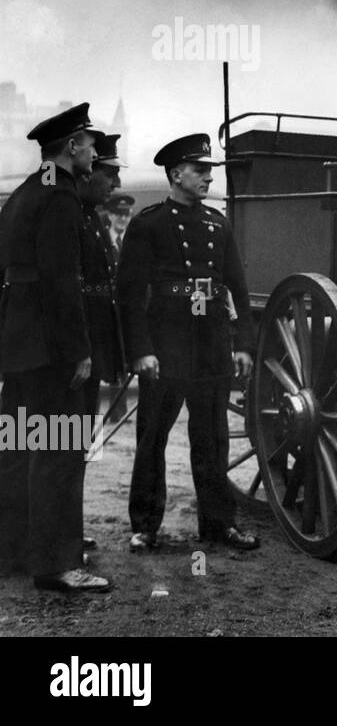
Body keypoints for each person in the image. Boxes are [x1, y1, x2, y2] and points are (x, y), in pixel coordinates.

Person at [117, 133, 258, 552]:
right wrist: (141, 350)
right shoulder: (149, 224)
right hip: (166, 345)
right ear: (176, 174)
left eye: (210, 171)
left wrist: (243, 345)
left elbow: (238, 288)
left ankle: (218, 524)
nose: (208, 177)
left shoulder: (219, 224)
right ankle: (145, 525)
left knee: (212, 438)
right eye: (200, 170)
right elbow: (128, 295)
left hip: (210, 342)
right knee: (153, 437)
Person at [0, 103, 110, 592]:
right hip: (51, 347)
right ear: (71, 147)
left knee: (18, 447)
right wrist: (79, 350)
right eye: (89, 144)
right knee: (60, 450)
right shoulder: (62, 197)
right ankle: (57, 564)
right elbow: (62, 282)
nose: (94, 152)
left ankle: (15, 553)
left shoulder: (24, 192)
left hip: (19, 345)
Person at [75, 132, 128, 554]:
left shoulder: (91, 217)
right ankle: (57, 536)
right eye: (109, 174)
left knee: (80, 444)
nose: (115, 185)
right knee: (61, 444)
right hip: (75, 350)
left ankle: (69, 528)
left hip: (91, 346)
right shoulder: (74, 215)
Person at [103, 192, 135, 267]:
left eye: (126, 214)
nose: (123, 219)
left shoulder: (135, 240)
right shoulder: (101, 239)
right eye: (119, 214)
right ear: (109, 215)